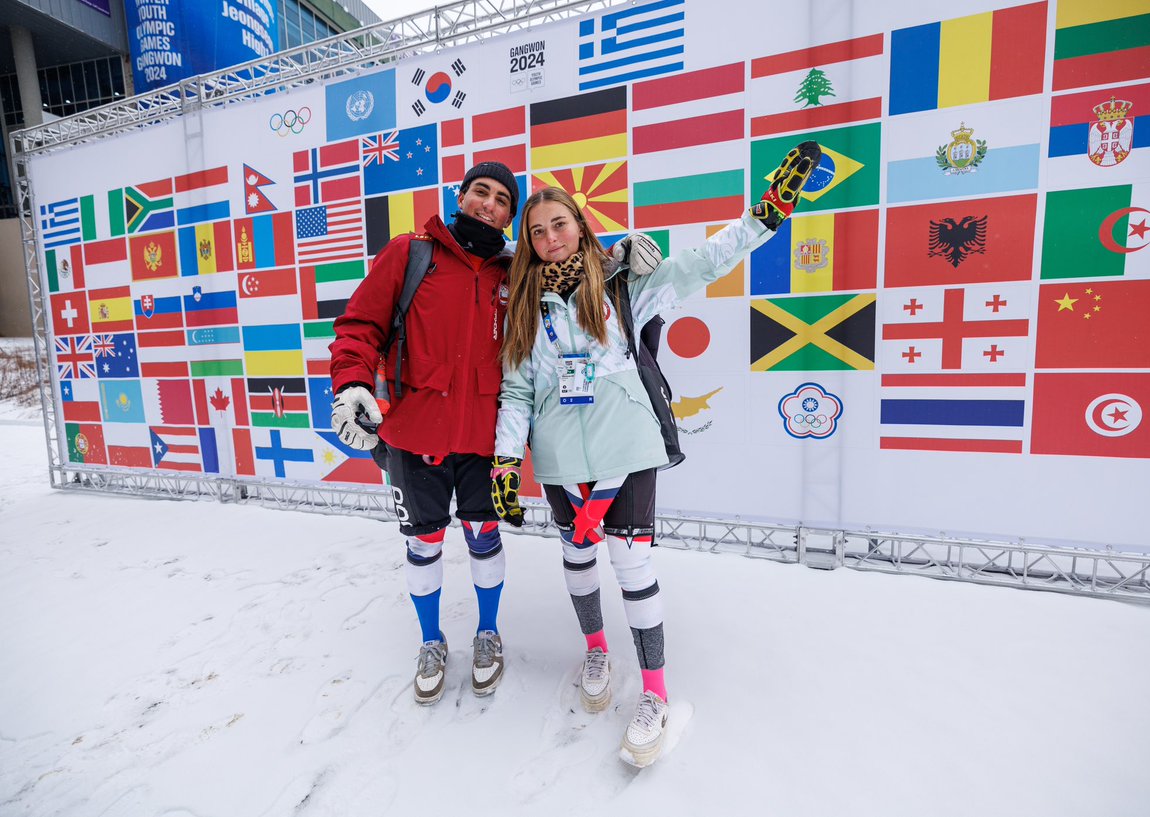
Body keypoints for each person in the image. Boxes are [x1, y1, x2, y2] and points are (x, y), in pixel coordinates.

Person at [490, 141, 821, 766]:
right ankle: (595, 649)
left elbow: (703, 262)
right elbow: (517, 390)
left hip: (628, 453)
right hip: (560, 461)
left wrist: (765, 214)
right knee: (578, 559)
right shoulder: (525, 311)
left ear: (579, 226)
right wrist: (507, 461)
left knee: (631, 567)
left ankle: (655, 694)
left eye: (559, 223)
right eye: (537, 231)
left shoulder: (626, 287)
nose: (550, 237)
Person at [328, 162, 520, 706]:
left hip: (488, 439)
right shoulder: (412, 253)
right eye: (480, 191)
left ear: (510, 213)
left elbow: (570, 273)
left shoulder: (515, 270)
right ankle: (431, 640)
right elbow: (359, 326)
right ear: (460, 196)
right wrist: (352, 383)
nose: (489, 203)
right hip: (414, 435)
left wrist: (619, 263)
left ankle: (488, 632)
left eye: (502, 198)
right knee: (424, 541)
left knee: (484, 537)